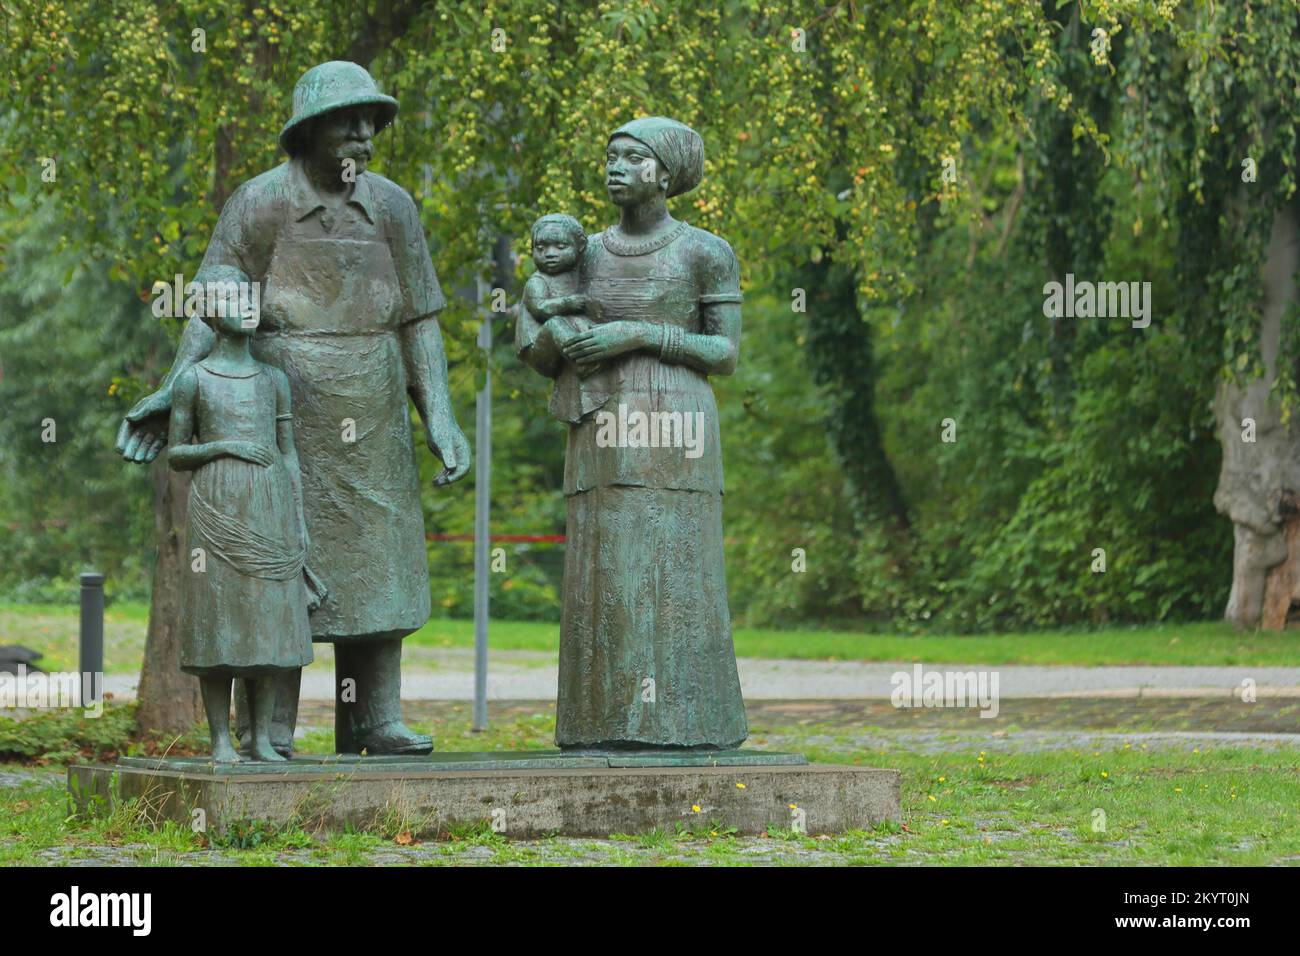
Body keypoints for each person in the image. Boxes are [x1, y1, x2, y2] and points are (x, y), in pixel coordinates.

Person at [117, 62, 471, 755]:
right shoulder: (260, 202)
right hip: (282, 398)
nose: (365, 137)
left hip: (373, 400)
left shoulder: (394, 206)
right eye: (351, 121)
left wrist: (442, 416)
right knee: (279, 562)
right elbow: (212, 295)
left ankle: (375, 719)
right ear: (309, 129)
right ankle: (268, 729)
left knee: (381, 560)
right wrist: (174, 384)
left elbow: (421, 318)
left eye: (373, 124)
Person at [516, 117, 748, 750]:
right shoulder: (577, 251)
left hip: (679, 426)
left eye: (631, 157)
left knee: (679, 570)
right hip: (601, 424)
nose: (615, 167)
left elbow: (725, 354)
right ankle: (600, 724)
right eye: (609, 156)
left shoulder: (705, 251)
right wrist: (553, 336)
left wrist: (642, 334)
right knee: (605, 573)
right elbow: (535, 354)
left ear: (665, 174)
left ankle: (695, 722)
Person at [166, 266, 317, 763]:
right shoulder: (194, 379)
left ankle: (261, 739)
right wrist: (225, 445)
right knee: (219, 621)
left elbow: (289, 451)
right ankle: (220, 740)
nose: (247, 307)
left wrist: (297, 519)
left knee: (267, 620)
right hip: (216, 502)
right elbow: (176, 453)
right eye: (233, 300)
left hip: (269, 502)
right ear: (211, 312)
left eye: (248, 299)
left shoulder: (273, 379)